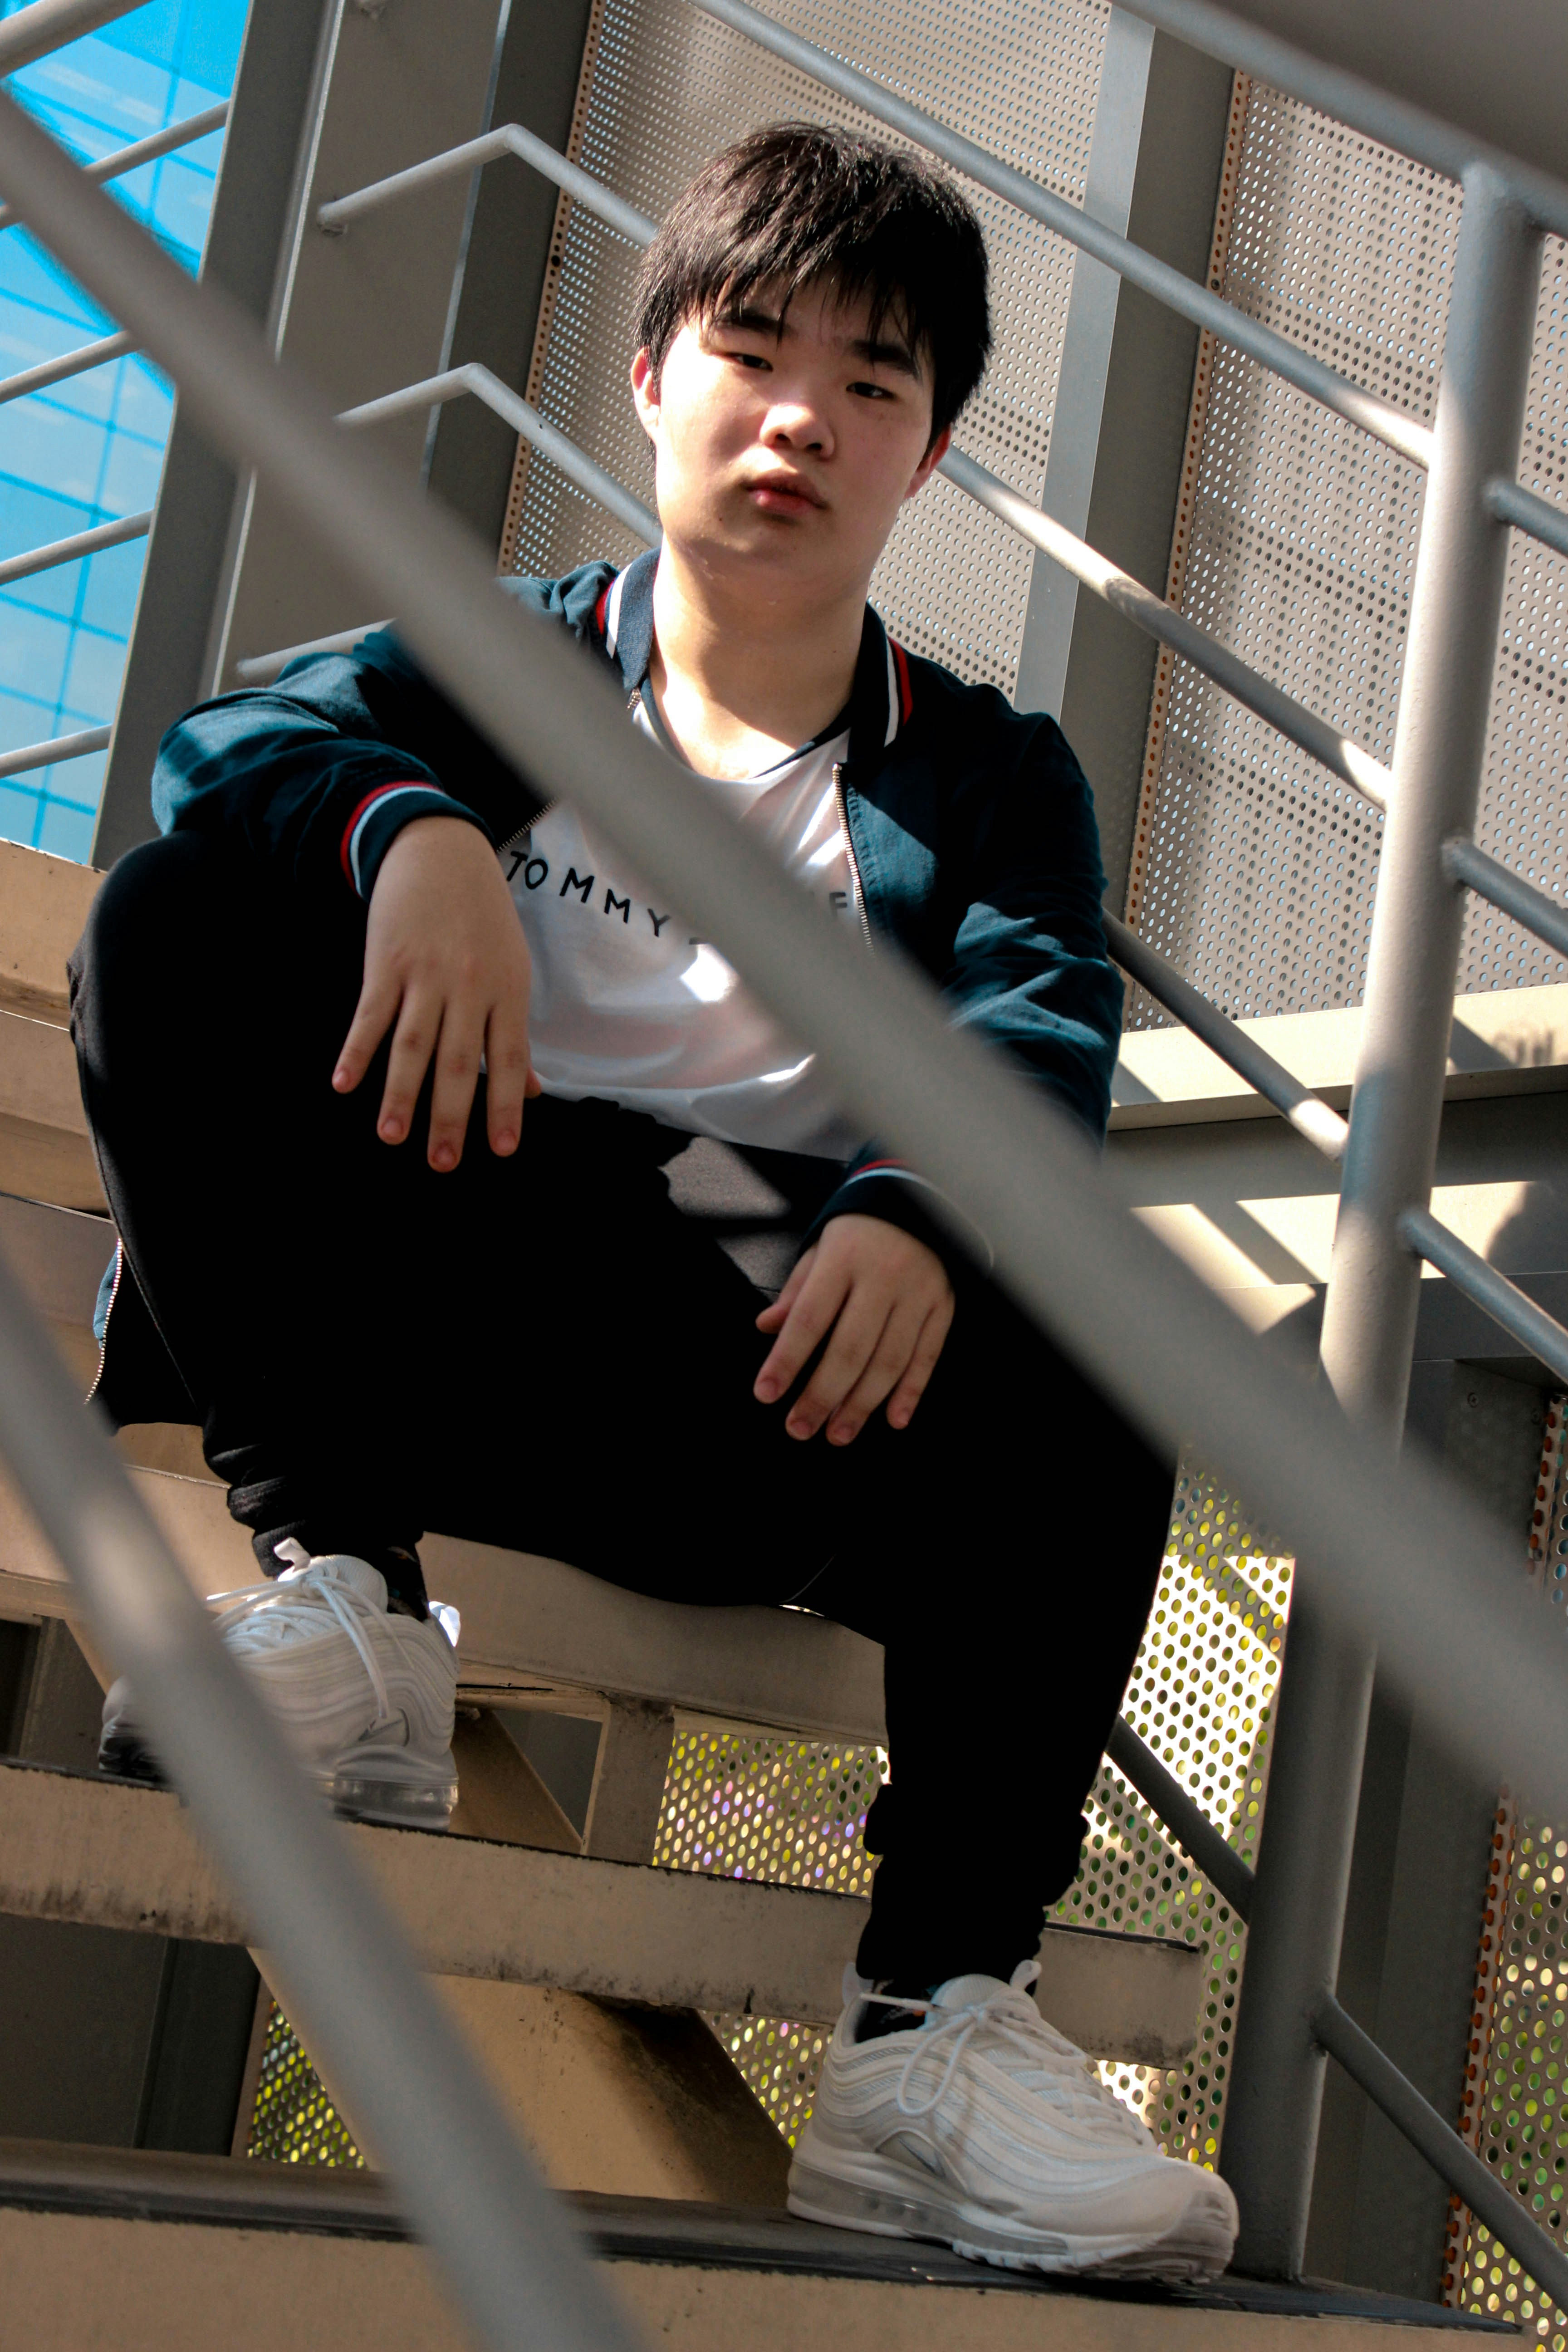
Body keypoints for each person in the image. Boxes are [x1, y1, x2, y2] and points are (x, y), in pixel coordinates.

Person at [70, 122, 1238, 2279]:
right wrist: (412, 834)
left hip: (759, 1372)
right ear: (650, 379)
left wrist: (911, 1206)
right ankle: (341, 1591)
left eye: (874, 384)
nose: (803, 415)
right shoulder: (494, 658)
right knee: (169, 918)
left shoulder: (982, 773)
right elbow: (225, 751)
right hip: (422, 1310)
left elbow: (1037, 1026)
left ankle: (930, 2032)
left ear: (930, 454)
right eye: (755, 348)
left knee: (1099, 1317)